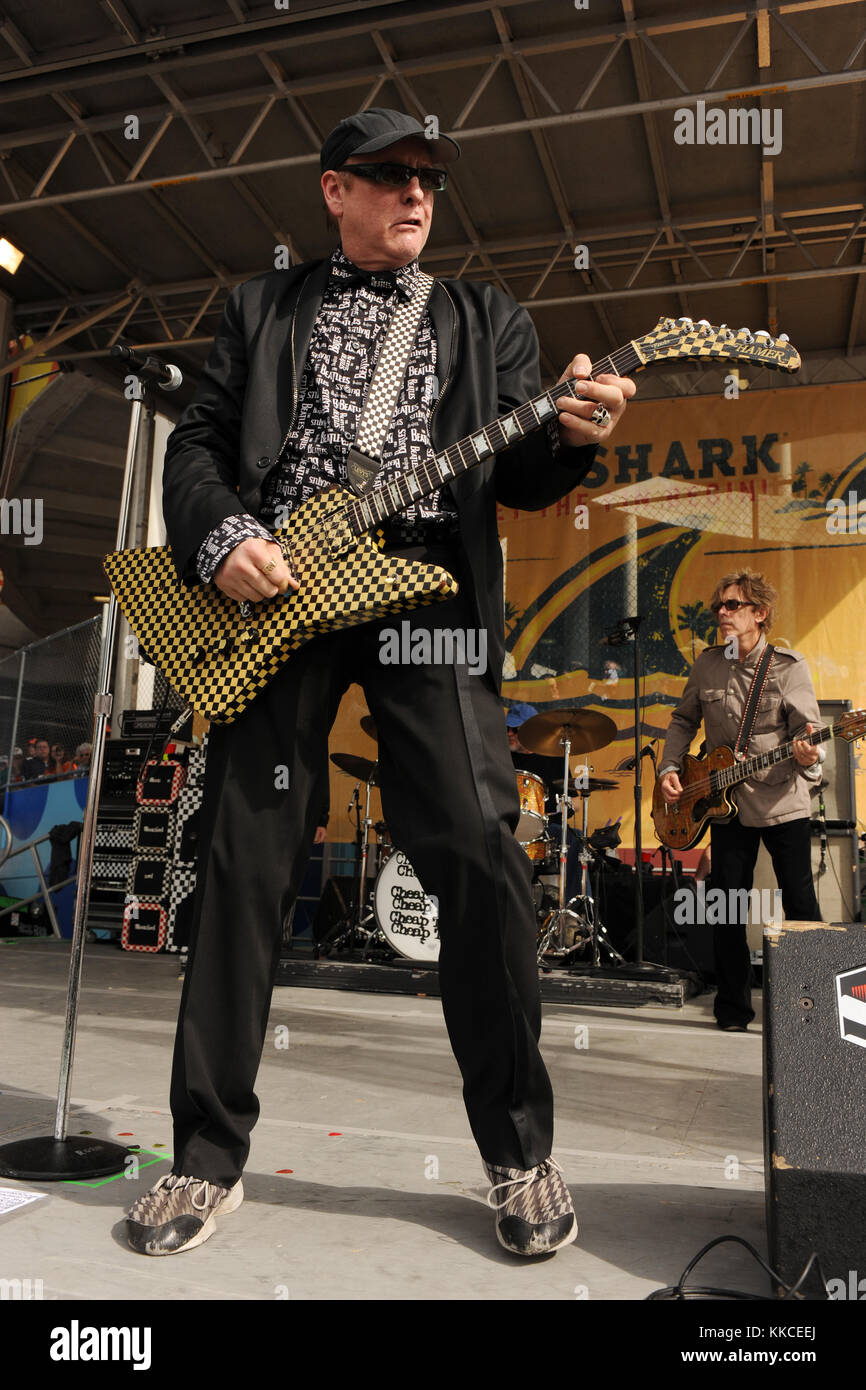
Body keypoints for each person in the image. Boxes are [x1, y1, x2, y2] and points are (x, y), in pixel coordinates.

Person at [126, 107, 634, 1259]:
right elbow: (196, 444)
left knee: (478, 852)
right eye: (389, 175)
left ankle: (517, 1150)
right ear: (332, 192)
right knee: (244, 863)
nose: (415, 194)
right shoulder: (262, 307)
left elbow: (523, 470)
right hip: (281, 600)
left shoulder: (483, 317)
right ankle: (205, 1158)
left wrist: (580, 432)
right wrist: (222, 542)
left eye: (428, 180)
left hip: (424, 602)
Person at [657, 570, 823, 1031]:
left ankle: (813, 1009)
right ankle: (732, 1010)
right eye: (719, 607)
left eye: (732, 606)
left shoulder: (788, 666)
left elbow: (808, 734)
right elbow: (682, 720)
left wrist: (810, 752)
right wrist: (670, 768)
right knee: (727, 905)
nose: (722, 614)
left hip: (782, 802)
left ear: (759, 613)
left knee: (801, 906)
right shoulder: (709, 664)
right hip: (723, 805)